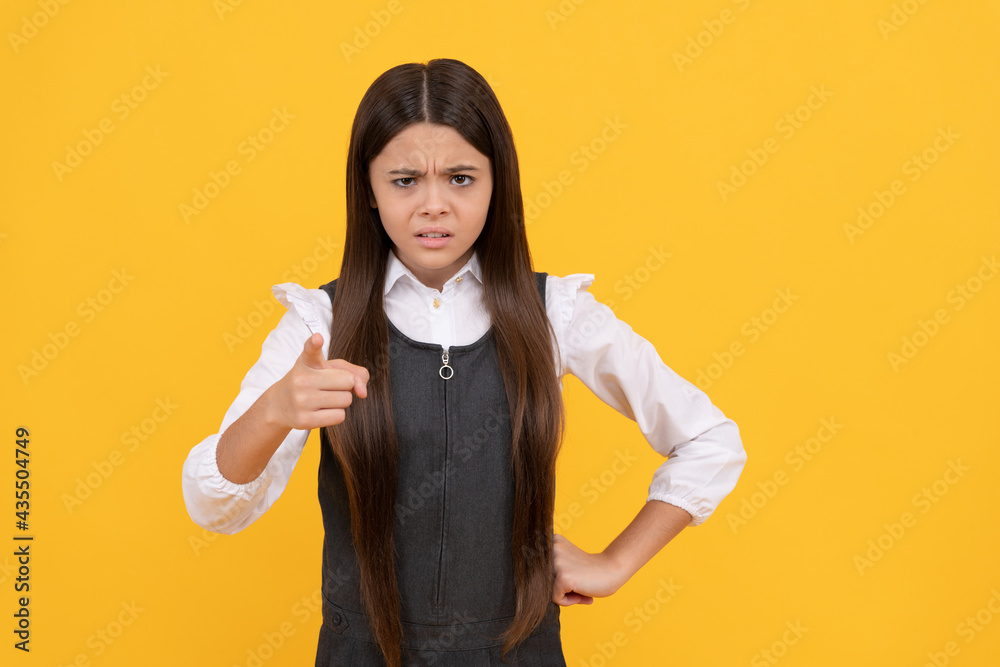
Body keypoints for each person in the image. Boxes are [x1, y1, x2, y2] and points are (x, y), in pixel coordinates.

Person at [181, 57, 747, 667]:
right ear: (367, 190)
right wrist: (273, 412)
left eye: (460, 178)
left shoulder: (554, 312)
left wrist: (614, 562)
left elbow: (711, 440)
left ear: (496, 183)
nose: (434, 205)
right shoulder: (320, 323)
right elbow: (213, 504)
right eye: (404, 181)